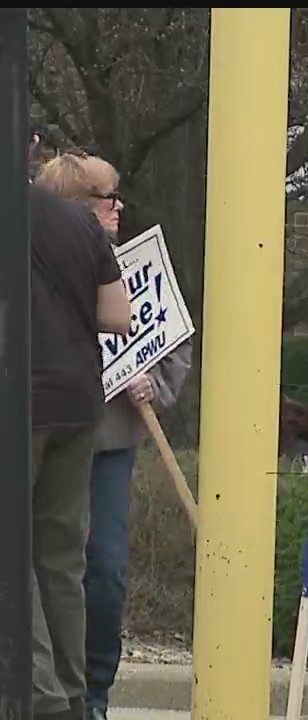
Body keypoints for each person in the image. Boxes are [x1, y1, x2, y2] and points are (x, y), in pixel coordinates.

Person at [35, 153, 193, 720]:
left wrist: (157, 382)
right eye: (106, 197)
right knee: (49, 564)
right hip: (55, 426)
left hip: (108, 443)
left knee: (103, 571)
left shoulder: (139, 264)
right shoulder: (41, 254)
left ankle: (92, 693)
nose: (118, 207)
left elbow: (169, 338)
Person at [29, 169, 131, 719]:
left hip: (20, 395)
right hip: (79, 402)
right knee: (63, 558)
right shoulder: (82, 228)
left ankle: (38, 696)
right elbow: (118, 314)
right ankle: (73, 697)